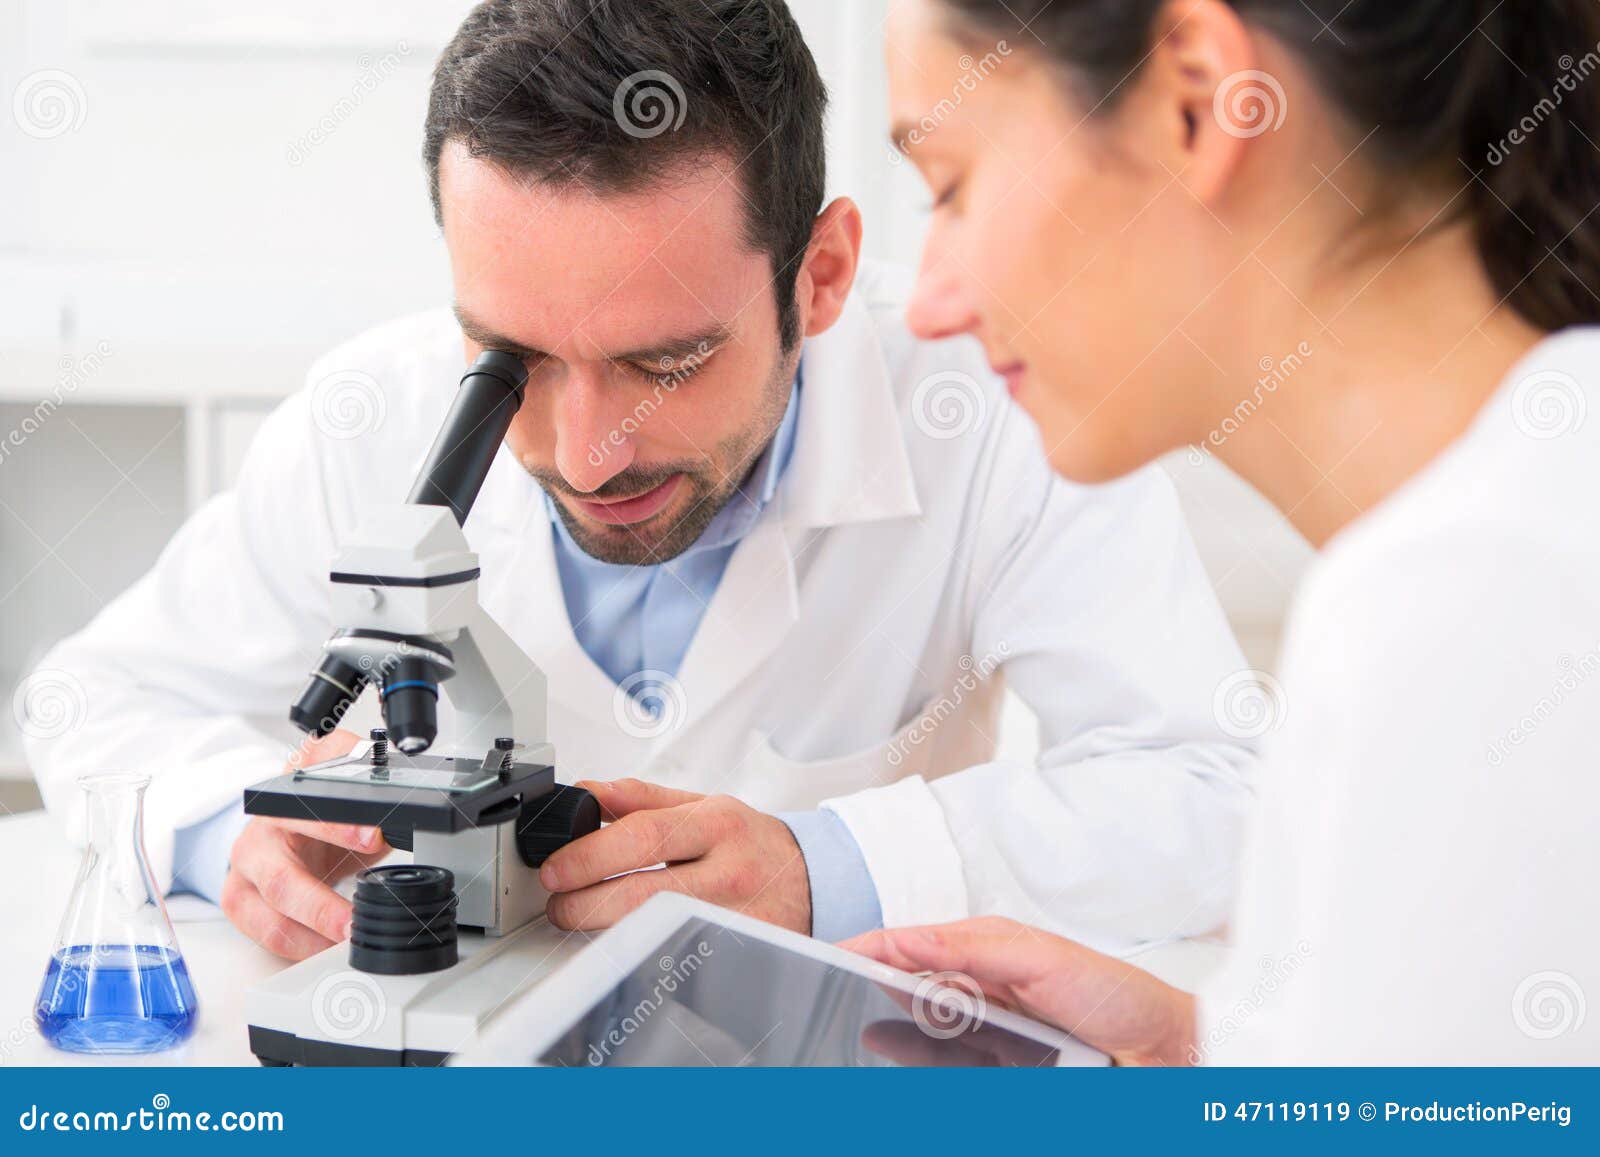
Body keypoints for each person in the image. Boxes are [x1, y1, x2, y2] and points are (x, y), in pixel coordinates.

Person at [22, 0, 1257, 964]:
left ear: (819, 275)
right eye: (512, 361)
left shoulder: (992, 410)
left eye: (667, 360)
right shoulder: (375, 409)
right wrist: (215, 827)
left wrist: (828, 865)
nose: (590, 449)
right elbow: (89, 697)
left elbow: (1216, 789)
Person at [846, 0, 1600, 1063]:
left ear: (1197, 104)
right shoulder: (1525, 510)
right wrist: (1207, 1053)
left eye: (950, 189)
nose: (929, 302)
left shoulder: (1470, 593)